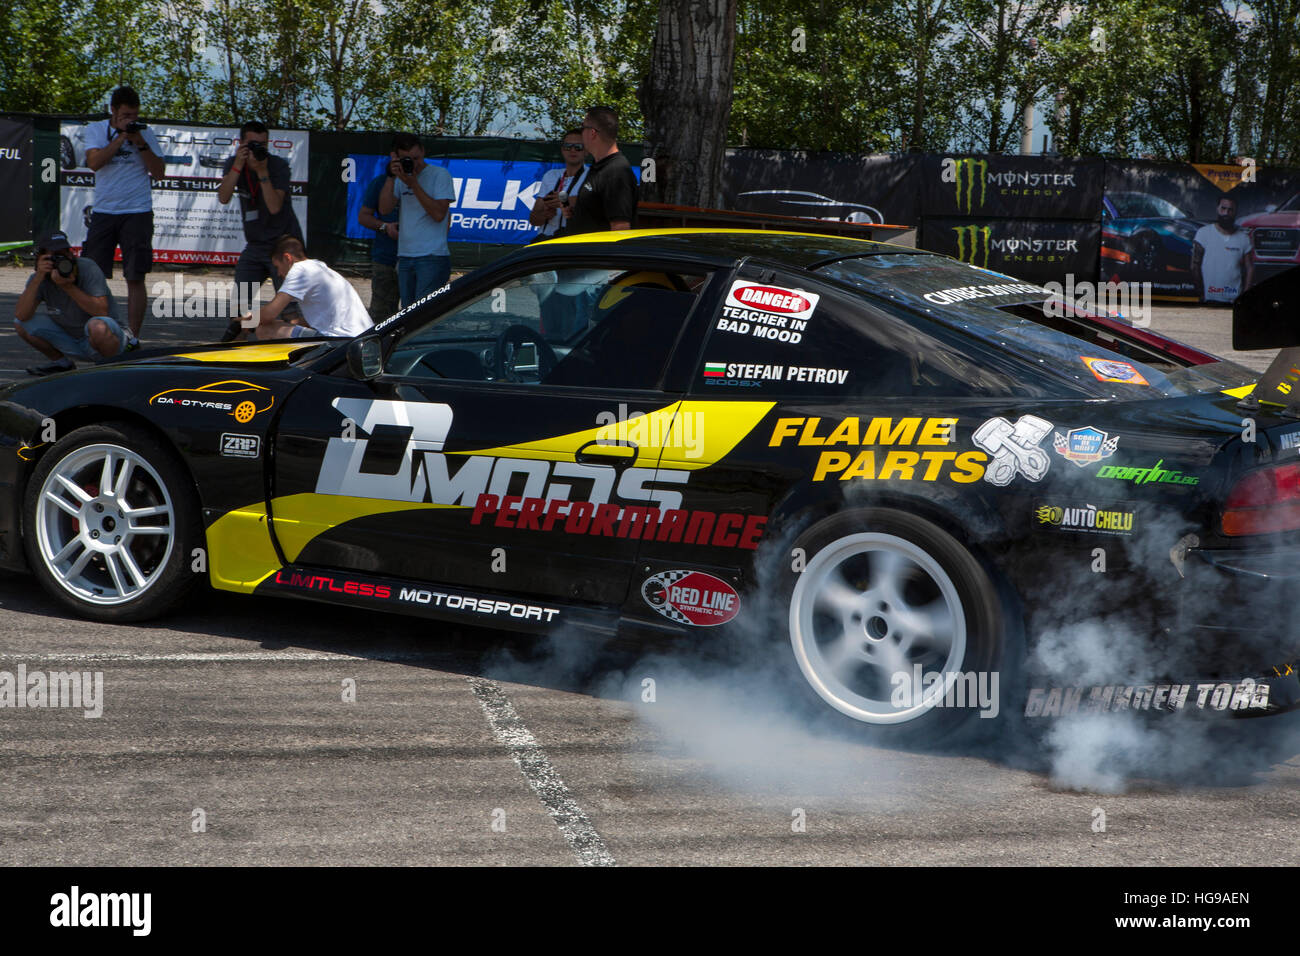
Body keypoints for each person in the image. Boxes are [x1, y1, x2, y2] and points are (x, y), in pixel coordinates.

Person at [82, 86, 162, 343]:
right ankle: (100, 331)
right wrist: (118, 138)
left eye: (135, 115)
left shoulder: (145, 133)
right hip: (105, 211)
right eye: (126, 115)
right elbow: (94, 163)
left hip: (137, 211)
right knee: (93, 276)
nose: (131, 120)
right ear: (113, 111)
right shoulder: (96, 130)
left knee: (135, 276)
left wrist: (139, 142)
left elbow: (160, 172)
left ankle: (134, 338)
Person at [216, 121, 305, 340]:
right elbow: (223, 197)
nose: (258, 149)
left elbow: (275, 206)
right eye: (252, 144)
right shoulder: (234, 164)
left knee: (289, 309)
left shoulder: (277, 166)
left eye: (262, 144)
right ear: (241, 143)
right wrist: (238, 165)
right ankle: (233, 356)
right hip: (255, 245)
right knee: (238, 309)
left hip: (283, 244)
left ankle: (306, 350)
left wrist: (262, 172)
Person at [15, 231, 132, 376]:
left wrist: (68, 287)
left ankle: (111, 369)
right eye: (54, 255)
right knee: (21, 324)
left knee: (97, 326)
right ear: (41, 257)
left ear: (71, 254)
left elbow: (101, 311)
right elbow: (21, 315)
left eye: (64, 253)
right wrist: (38, 277)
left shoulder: (87, 268)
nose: (61, 259)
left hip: (111, 339)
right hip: (73, 340)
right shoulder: (39, 277)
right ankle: (61, 363)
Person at [234, 236, 373, 341]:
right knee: (282, 324)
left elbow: (269, 313)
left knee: (265, 329)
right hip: (362, 337)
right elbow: (315, 320)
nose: (278, 274)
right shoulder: (318, 266)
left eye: (277, 267)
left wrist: (250, 320)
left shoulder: (299, 271)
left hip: (339, 341)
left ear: (287, 258)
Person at [378, 133, 456, 307]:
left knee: (425, 313)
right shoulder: (400, 177)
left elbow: (438, 214)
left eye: (417, 158)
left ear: (423, 151)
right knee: (408, 313)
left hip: (432, 257)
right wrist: (390, 176)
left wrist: (413, 184)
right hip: (405, 256)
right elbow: (384, 209)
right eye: (407, 159)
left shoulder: (440, 174)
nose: (414, 163)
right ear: (396, 157)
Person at [557, 106, 638, 236]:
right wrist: (579, 210)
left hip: (594, 254)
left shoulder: (616, 172)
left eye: (582, 128)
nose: (581, 133)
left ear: (592, 133)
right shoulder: (599, 166)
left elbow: (620, 229)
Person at [529, 129, 590, 241]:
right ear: (562, 150)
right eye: (568, 146)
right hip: (546, 240)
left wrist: (564, 201)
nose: (572, 150)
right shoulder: (550, 175)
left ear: (587, 151)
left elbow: (595, 202)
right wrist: (544, 215)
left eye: (578, 147)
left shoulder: (594, 175)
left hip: (574, 241)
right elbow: (533, 220)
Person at [1191, 195, 1253, 303]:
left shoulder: (1244, 238)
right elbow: (1194, 265)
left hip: (1234, 300)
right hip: (1209, 299)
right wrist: (1201, 293)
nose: (1226, 213)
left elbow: (1250, 268)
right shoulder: (1203, 233)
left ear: (1235, 212)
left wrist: (1245, 295)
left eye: (1230, 210)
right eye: (1223, 208)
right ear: (1217, 209)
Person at [357, 171, 400, 320]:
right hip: (386, 257)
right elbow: (363, 216)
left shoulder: (427, 180)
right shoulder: (381, 182)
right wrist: (385, 227)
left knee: (418, 312)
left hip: (419, 258)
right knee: (381, 316)